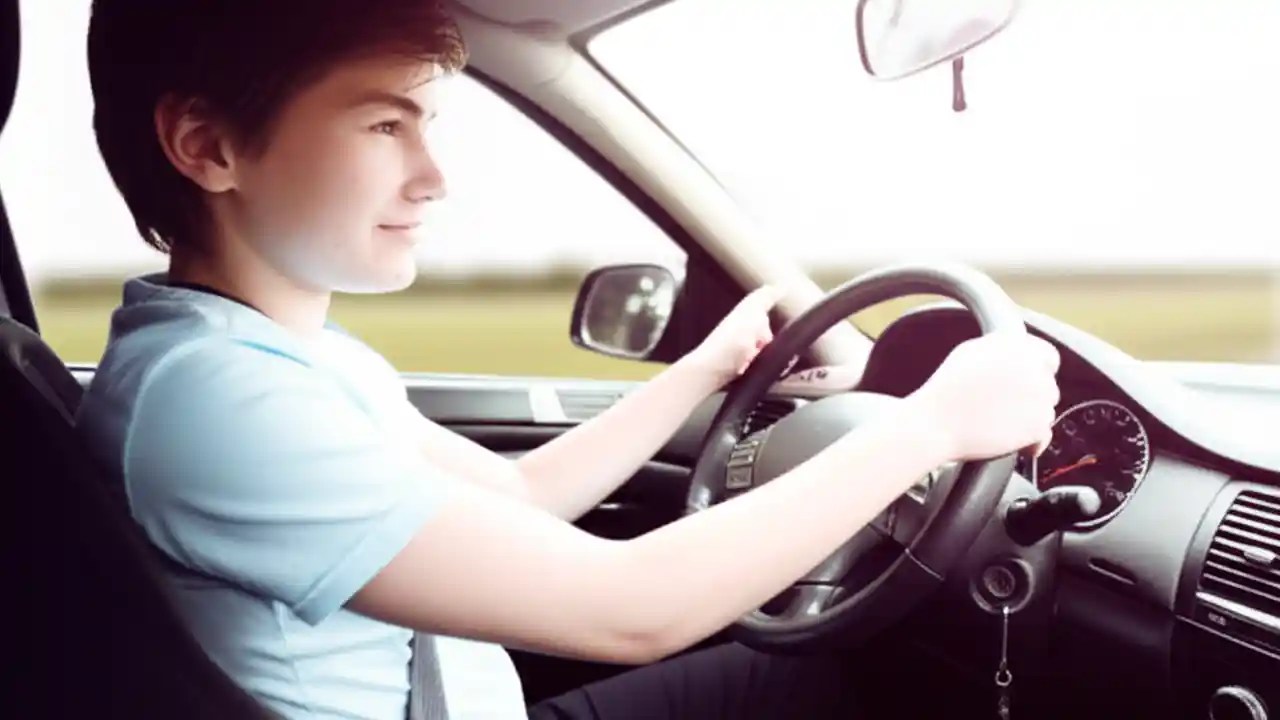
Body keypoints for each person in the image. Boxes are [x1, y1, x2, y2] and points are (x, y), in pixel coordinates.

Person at [75, 1, 1060, 718]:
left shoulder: (276, 356)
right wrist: (930, 425)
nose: (434, 177)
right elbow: (627, 610)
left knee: (803, 680)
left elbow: (520, 494)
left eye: (428, 125)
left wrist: (705, 369)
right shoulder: (216, 404)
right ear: (207, 146)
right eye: (384, 124)